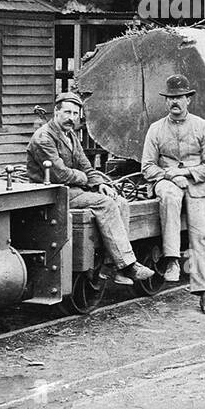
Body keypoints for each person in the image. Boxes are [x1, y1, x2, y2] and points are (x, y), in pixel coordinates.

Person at [27, 92, 155, 285]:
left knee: (119, 201)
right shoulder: (44, 138)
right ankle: (128, 265)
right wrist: (85, 179)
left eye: (75, 114)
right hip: (53, 194)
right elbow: (60, 174)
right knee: (106, 204)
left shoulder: (70, 136)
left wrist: (101, 183)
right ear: (56, 111)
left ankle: (112, 267)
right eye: (67, 112)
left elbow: (86, 166)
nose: (71, 118)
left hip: (72, 190)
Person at [141, 74, 205, 315]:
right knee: (169, 196)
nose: (175, 102)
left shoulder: (201, 126)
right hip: (167, 181)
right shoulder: (156, 129)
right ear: (166, 102)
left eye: (180, 97)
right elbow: (147, 166)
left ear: (188, 99)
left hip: (197, 184)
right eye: (171, 98)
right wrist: (169, 176)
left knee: (201, 236)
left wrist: (184, 173)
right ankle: (173, 259)